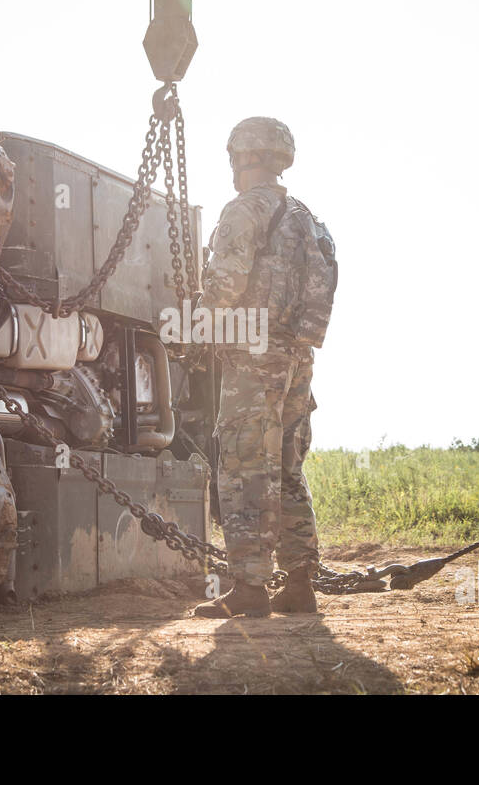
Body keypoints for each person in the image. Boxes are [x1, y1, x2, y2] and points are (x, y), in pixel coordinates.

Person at [194, 117, 336, 618]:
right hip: (297, 358)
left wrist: (195, 328)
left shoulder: (244, 209)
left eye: (236, 158)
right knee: (286, 466)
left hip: (253, 358)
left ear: (244, 157)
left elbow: (226, 285)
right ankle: (299, 585)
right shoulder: (306, 218)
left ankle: (250, 589)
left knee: (244, 464)